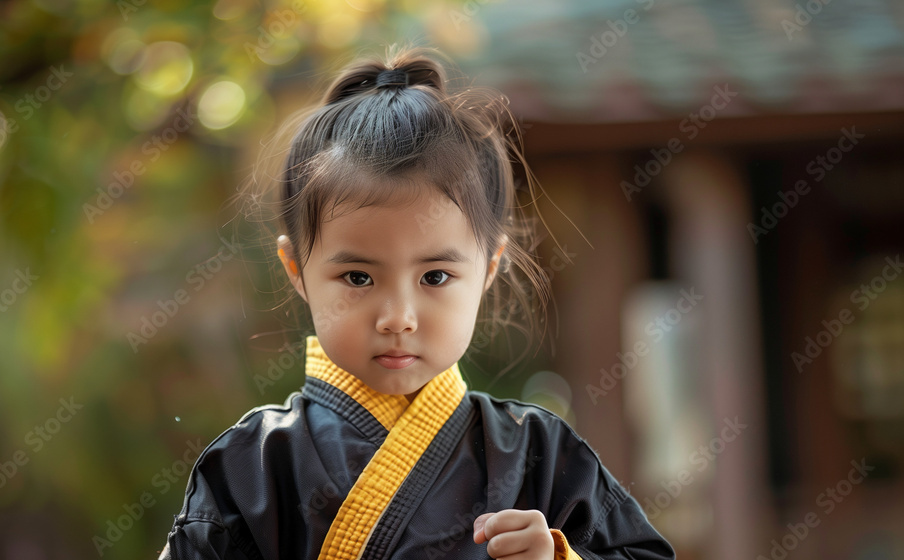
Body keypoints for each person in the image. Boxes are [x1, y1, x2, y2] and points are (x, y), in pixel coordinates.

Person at [157, 45, 674, 560]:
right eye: (358, 277)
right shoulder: (251, 466)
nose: (398, 318)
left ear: (489, 266)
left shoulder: (541, 455)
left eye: (435, 276)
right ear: (296, 268)